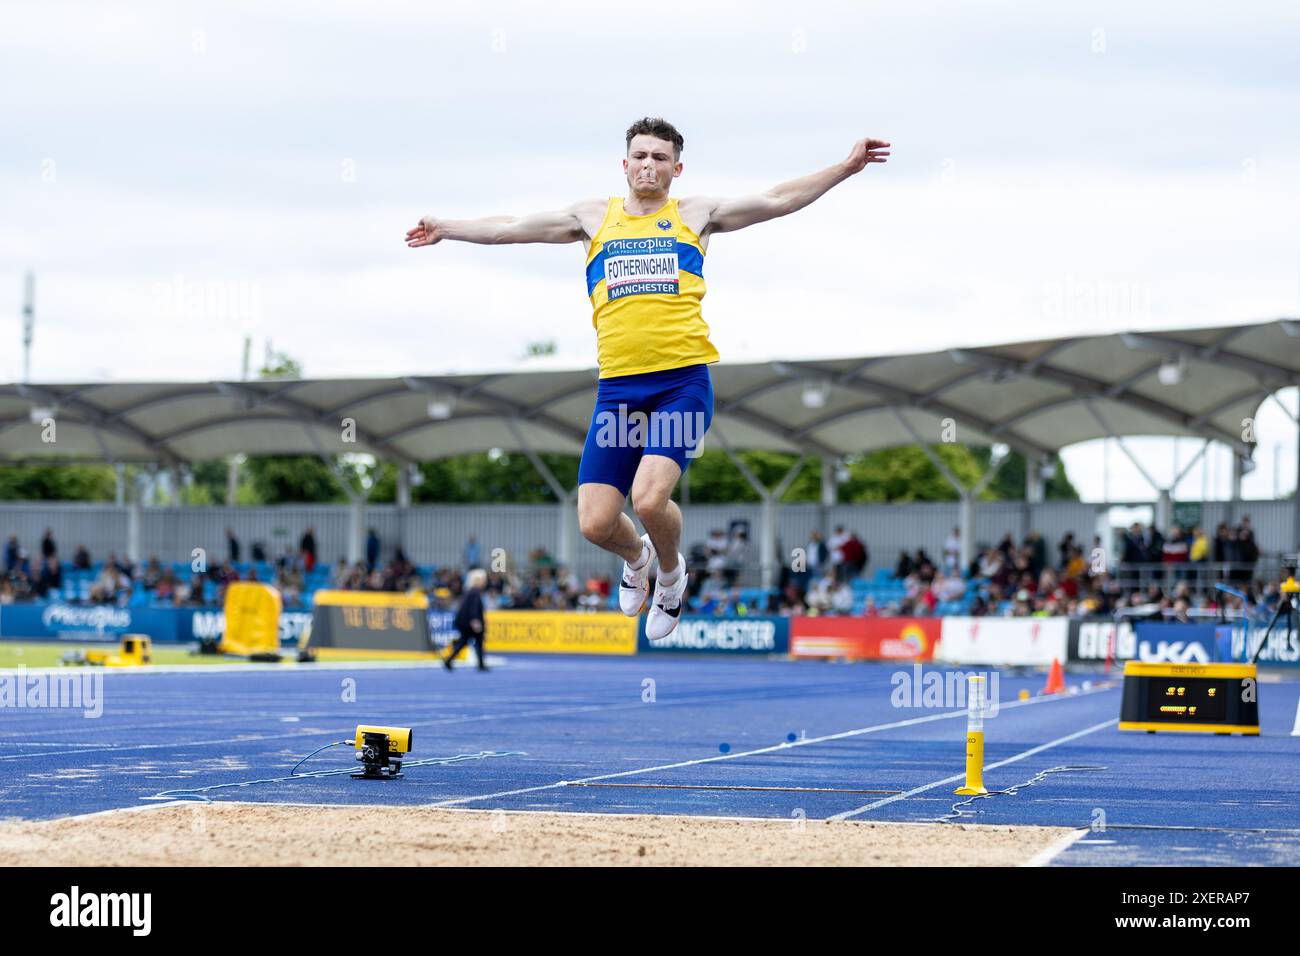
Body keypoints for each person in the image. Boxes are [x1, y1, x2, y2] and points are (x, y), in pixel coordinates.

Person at [407, 117, 889, 639]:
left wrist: (846, 166)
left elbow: (777, 198)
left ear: (676, 169)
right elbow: (508, 227)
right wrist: (446, 228)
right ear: (624, 163)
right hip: (618, 391)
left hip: (681, 384)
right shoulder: (594, 217)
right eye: (640, 155)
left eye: (660, 158)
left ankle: (671, 573)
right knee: (594, 523)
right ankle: (636, 557)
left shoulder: (695, 215)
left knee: (648, 498)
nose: (648, 165)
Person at [445, 568, 489, 671]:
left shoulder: (470, 591)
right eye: (482, 580)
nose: (484, 582)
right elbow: (473, 608)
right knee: (476, 642)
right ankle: (480, 664)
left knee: (466, 642)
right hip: (470, 623)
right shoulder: (475, 592)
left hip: (465, 622)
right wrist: (475, 621)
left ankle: (449, 660)